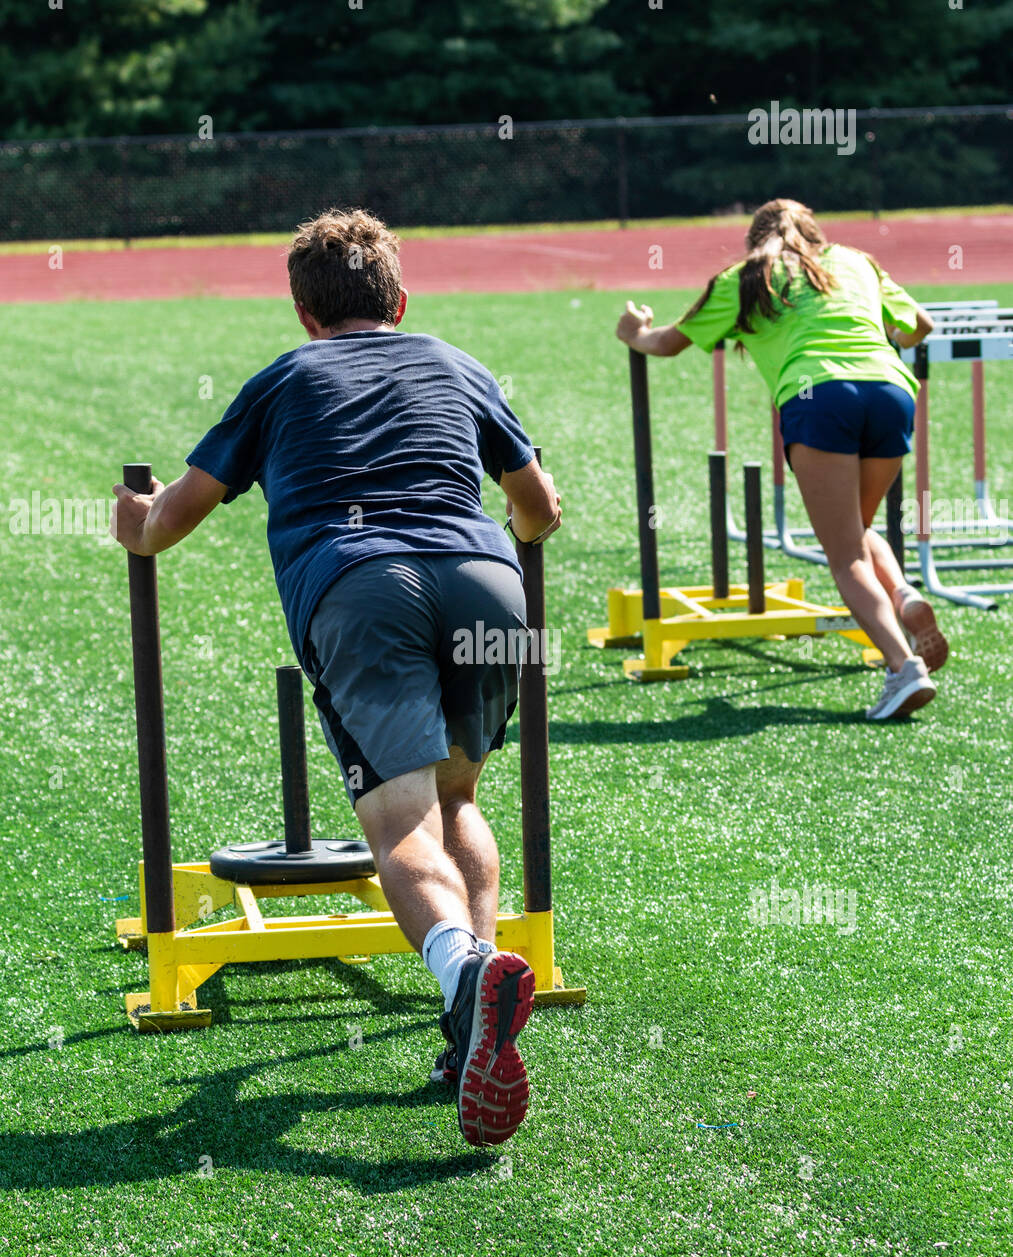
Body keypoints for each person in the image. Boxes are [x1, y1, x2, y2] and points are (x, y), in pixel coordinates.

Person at [110, 207, 561, 1148]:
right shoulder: (455, 362)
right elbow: (539, 508)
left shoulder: (285, 376)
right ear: (399, 299)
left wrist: (135, 522)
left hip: (363, 586)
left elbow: (173, 518)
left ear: (303, 314)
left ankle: (463, 972)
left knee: (400, 823)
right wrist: (509, 547)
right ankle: (464, 1022)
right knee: (457, 798)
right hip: (485, 580)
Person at [616, 197, 947, 721]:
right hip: (891, 389)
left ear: (754, 238)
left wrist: (633, 330)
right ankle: (903, 595)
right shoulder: (855, 260)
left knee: (845, 557)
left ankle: (904, 667)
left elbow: (666, 342)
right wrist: (890, 339)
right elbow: (921, 324)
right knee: (856, 529)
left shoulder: (746, 277)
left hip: (820, 397)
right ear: (814, 233)